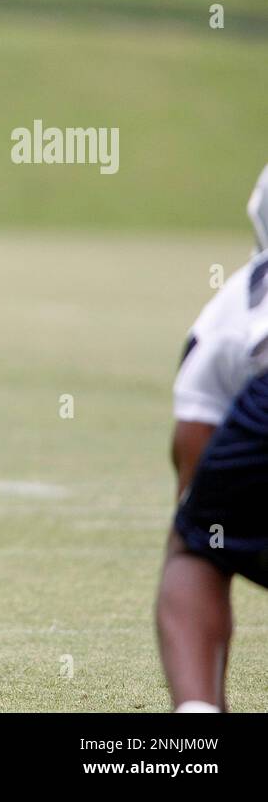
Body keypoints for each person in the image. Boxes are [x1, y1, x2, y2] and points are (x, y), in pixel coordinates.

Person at [157, 163, 268, 711]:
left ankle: (198, 724)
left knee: (195, 547)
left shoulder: (237, 302)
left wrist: (203, 529)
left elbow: (194, 469)